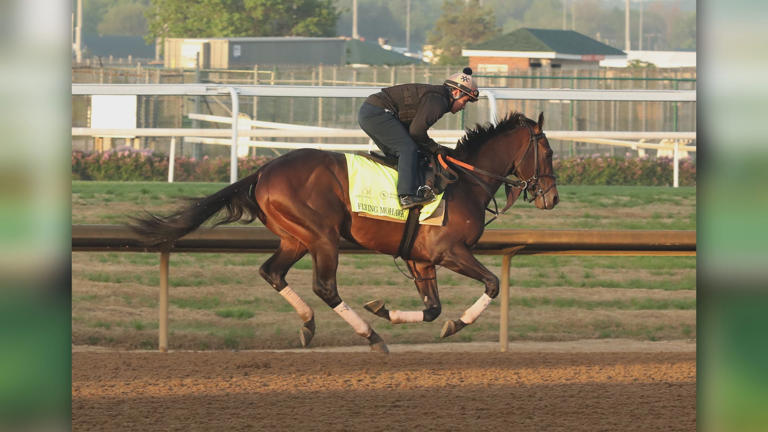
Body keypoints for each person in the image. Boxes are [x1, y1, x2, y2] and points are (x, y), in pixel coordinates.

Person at [357, 67, 479, 209]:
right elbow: (416, 132)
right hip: (377, 112)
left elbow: (414, 131)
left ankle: (392, 194)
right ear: (456, 92)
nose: (463, 107)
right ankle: (405, 197)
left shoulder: (438, 98)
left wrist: (431, 149)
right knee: (408, 149)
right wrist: (436, 148)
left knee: (407, 155)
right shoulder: (439, 101)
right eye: (465, 101)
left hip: (373, 111)